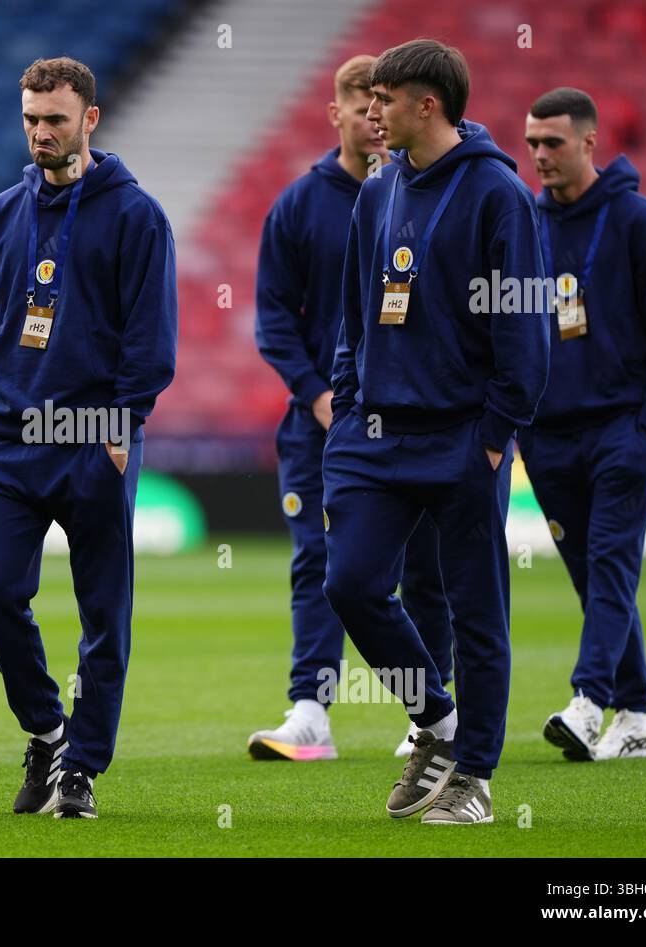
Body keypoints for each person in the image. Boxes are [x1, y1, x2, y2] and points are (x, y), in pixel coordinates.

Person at [322, 39, 549, 824]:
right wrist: (350, 404)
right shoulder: (377, 190)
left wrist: (494, 432)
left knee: (476, 609)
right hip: (374, 435)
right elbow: (354, 311)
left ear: (428, 105)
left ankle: (474, 778)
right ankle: (440, 723)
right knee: (349, 582)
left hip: (463, 435)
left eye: (384, 98)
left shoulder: (498, 194)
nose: (370, 110)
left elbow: (527, 327)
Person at [0, 57, 177, 819]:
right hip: (6, 442)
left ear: (91, 119)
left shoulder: (136, 215)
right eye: (31, 119)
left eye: (55, 118)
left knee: (102, 616)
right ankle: (48, 729)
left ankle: (80, 767)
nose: (42, 131)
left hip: (94, 438)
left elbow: (151, 337)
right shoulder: (0, 214)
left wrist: (123, 418)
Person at [249, 54, 453, 763]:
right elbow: (273, 317)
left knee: (426, 569)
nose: (370, 113)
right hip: (321, 426)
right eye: (355, 101)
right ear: (334, 111)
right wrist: (319, 394)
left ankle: (429, 708)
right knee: (320, 562)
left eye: (380, 100)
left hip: (417, 420)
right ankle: (312, 709)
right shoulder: (300, 206)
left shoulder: (427, 194)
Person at [522, 88, 646, 762]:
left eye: (553, 143)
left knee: (611, 563)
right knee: (593, 578)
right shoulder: (524, 224)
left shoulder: (639, 221)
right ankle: (638, 717)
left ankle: (589, 702)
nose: (539, 156)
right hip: (547, 434)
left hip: (622, 428)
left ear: (590, 143)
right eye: (532, 143)